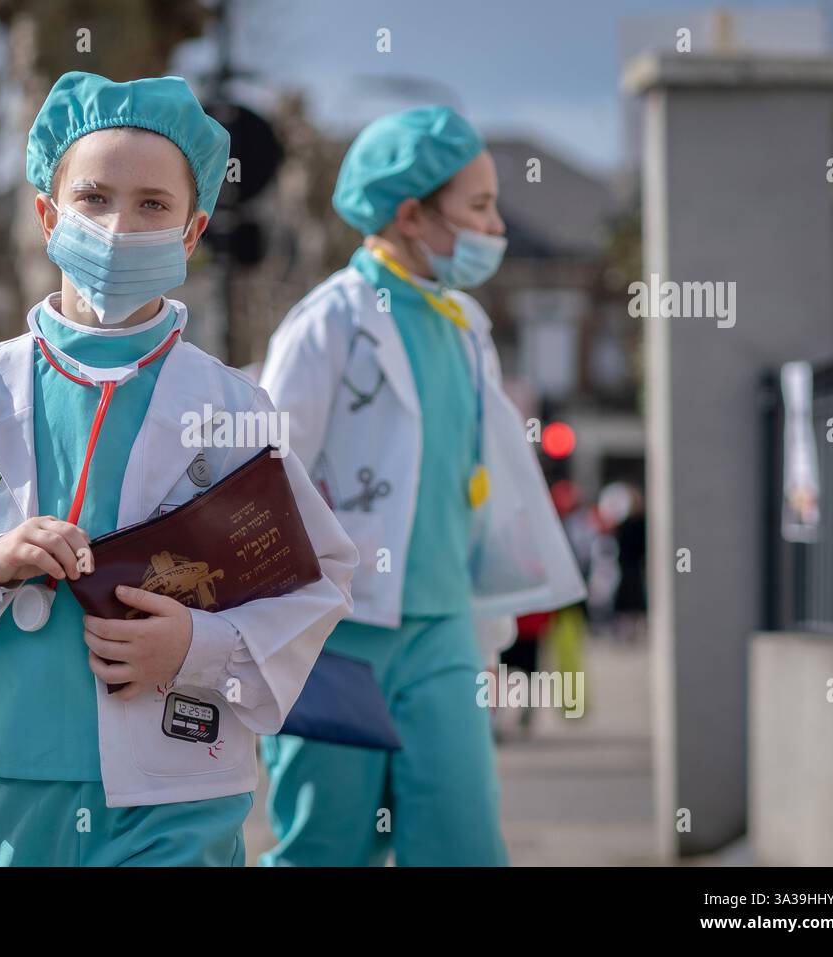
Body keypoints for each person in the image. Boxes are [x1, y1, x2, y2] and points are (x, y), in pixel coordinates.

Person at [0, 71, 357, 867]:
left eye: (153, 204)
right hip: (8, 781)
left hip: (179, 786)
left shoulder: (235, 406)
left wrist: (197, 645)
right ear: (47, 214)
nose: (119, 225)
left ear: (192, 231)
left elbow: (318, 581)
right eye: (93, 198)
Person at [257, 105, 584, 866]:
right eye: (479, 207)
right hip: (334, 638)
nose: (497, 226)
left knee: (463, 841)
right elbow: (263, 482)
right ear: (411, 216)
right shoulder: (327, 324)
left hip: (443, 631)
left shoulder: (465, 324)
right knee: (327, 848)